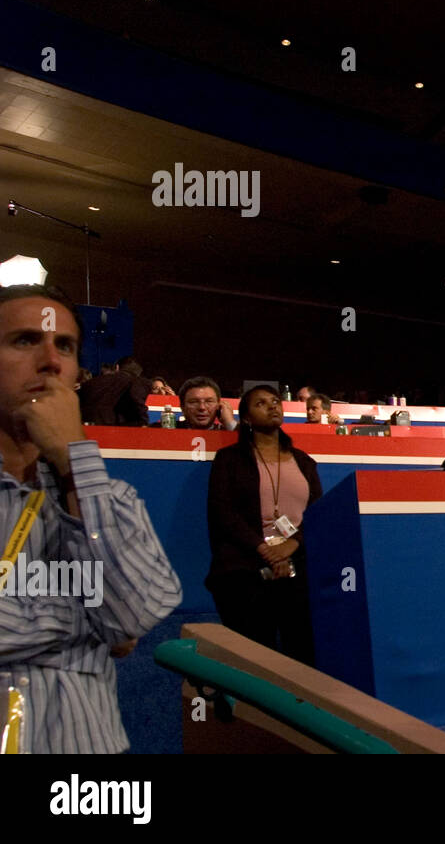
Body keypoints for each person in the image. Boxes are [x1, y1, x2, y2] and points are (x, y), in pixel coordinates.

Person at [0, 284, 181, 752]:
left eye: (64, 346)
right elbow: (118, 627)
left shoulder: (105, 492)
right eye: (25, 340)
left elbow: (137, 613)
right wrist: (93, 623)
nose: (50, 362)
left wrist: (72, 459)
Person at [205, 385, 318, 664]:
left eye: (275, 401)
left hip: (298, 568)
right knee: (254, 662)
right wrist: (264, 550)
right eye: (261, 403)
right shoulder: (229, 460)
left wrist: (292, 544)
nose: (272, 406)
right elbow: (223, 512)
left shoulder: (304, 462)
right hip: (245, 569)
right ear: (245, 418)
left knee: (303, 659)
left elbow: (318, 512)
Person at [77, 355, 151, 426]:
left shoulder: (92, 382)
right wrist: (144, 422)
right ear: (139, 373)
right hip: (113, 428)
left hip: (85, 426)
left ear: (117, 367)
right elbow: (137, 401)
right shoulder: (134, 381)